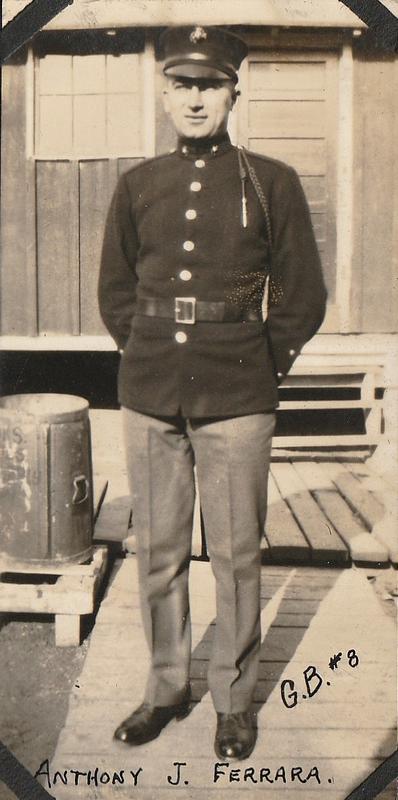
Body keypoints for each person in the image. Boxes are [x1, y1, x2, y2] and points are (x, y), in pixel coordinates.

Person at [98, 25, 327, 761]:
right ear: (165, 95)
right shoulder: (139, 185)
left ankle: (233, 702)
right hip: (150, 389)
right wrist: (143, 346)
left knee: (235, 556)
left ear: (234, 92)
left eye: (211, 85)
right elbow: (117, 290)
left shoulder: (270, 181)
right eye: (183, 85)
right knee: (158, 550)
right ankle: (165, 689)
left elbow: (298, 294)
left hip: (238, 391)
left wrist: (262, 360)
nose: (196, 99)